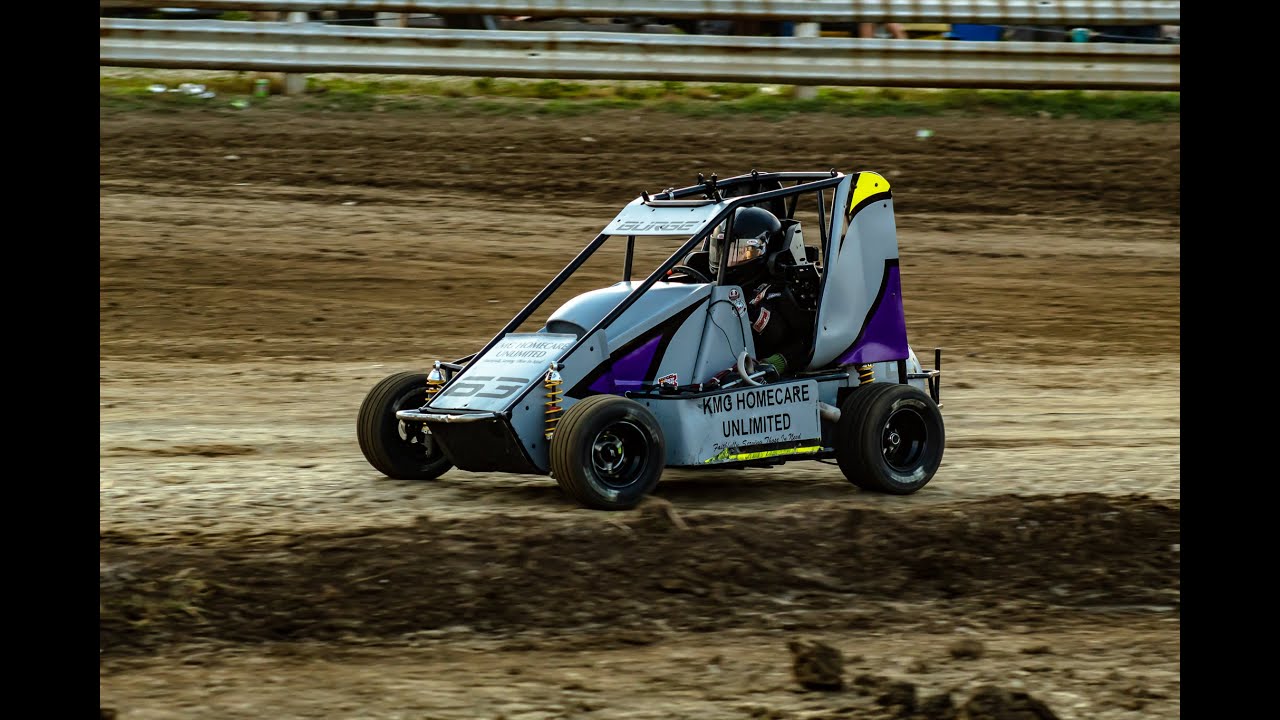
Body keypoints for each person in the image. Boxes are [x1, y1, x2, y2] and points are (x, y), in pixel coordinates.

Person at [707, 206, 816, 379]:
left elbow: (808, 341)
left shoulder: (780, 293)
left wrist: (774, 363)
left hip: (760, 376)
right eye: (722, 249)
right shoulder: (706, 284)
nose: (726, 259)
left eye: (739, 251)